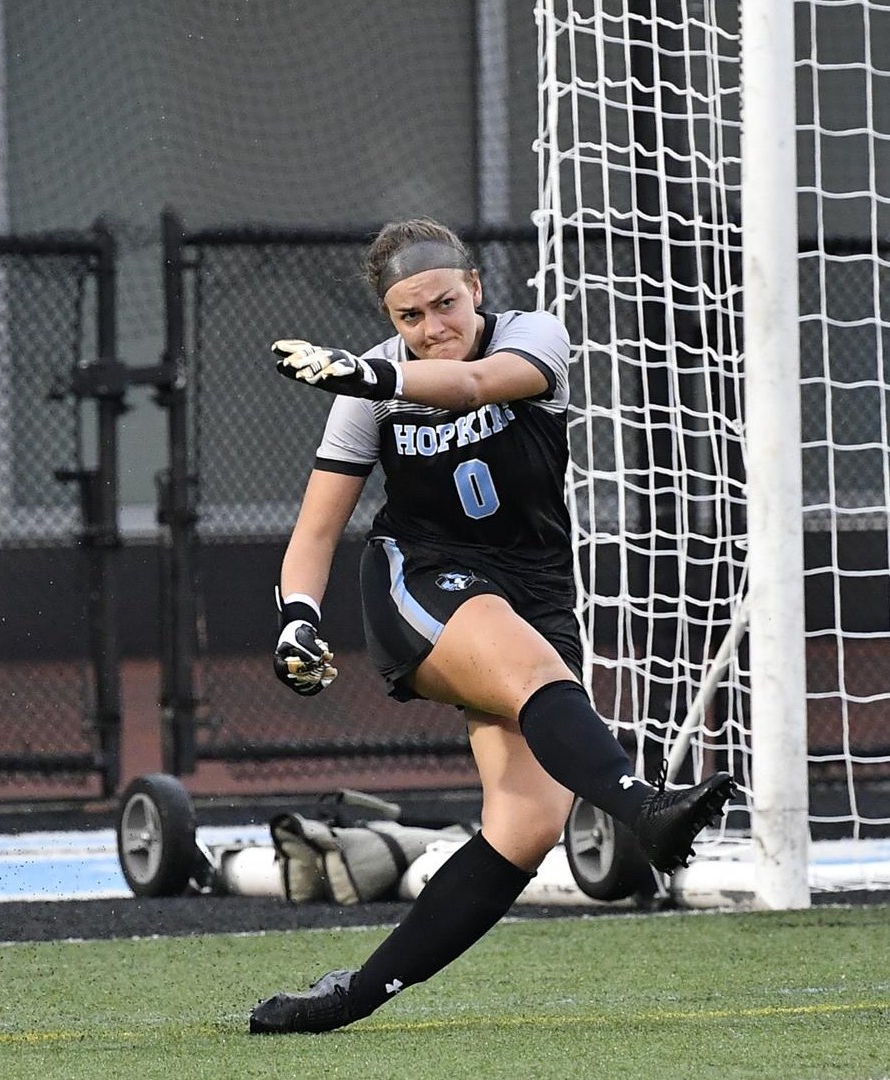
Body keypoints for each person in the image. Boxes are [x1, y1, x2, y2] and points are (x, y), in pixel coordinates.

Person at [248, 218, 734, 1036]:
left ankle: (354, 996)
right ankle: (643, 810)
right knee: (530, 672)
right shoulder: (371, 388)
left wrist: (371, 375)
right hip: (422, 575)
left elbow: (473, 387)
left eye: (445, 303)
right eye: (411, 318)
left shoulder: (532, 336)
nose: (433, 328)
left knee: (527, 826)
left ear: (475, 286)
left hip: (536, 589)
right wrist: (297, 617)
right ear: (393, 320)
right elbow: (317, 530)